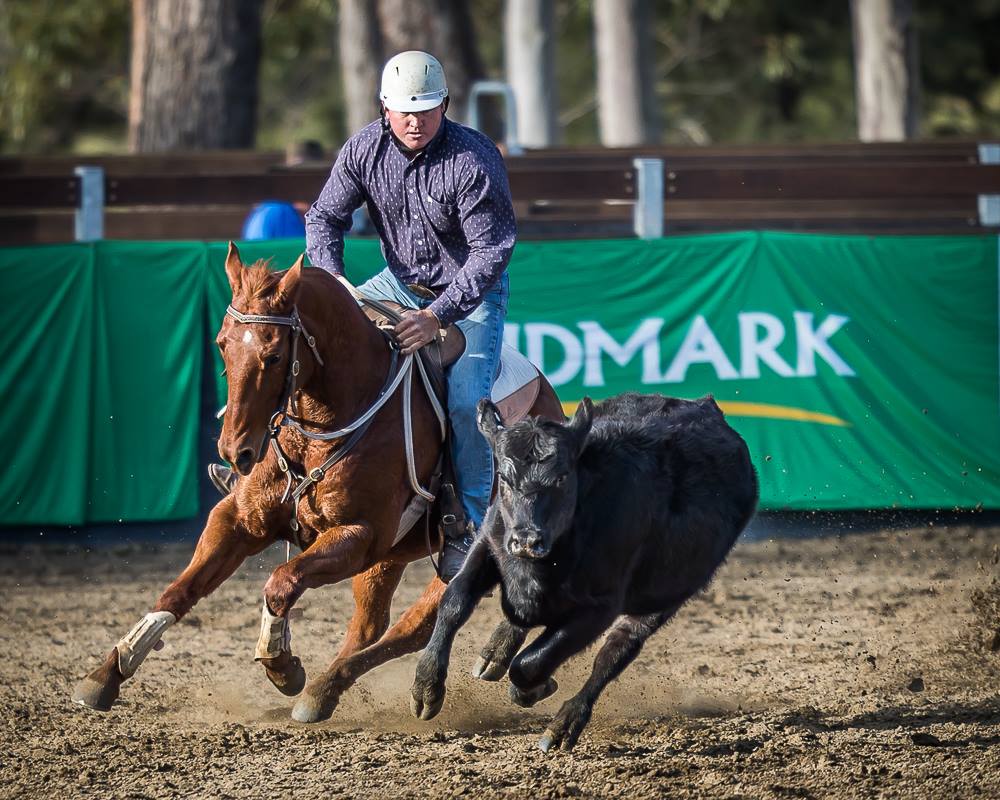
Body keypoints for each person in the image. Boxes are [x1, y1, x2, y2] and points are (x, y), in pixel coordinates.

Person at [307, 49, 516, 580]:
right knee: (306, 341)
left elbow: (491, 252)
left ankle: (467, 530)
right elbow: (324, 218)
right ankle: (265, 468)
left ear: (445, 104)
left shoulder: (472, 159)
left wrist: (439, 315)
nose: (413, 119)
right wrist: (335, 287)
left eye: (424, 107)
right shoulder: (363, 150)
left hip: (470, 296)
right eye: (403, 108)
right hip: (394, 282)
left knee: (470, 401)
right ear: (384, 106)